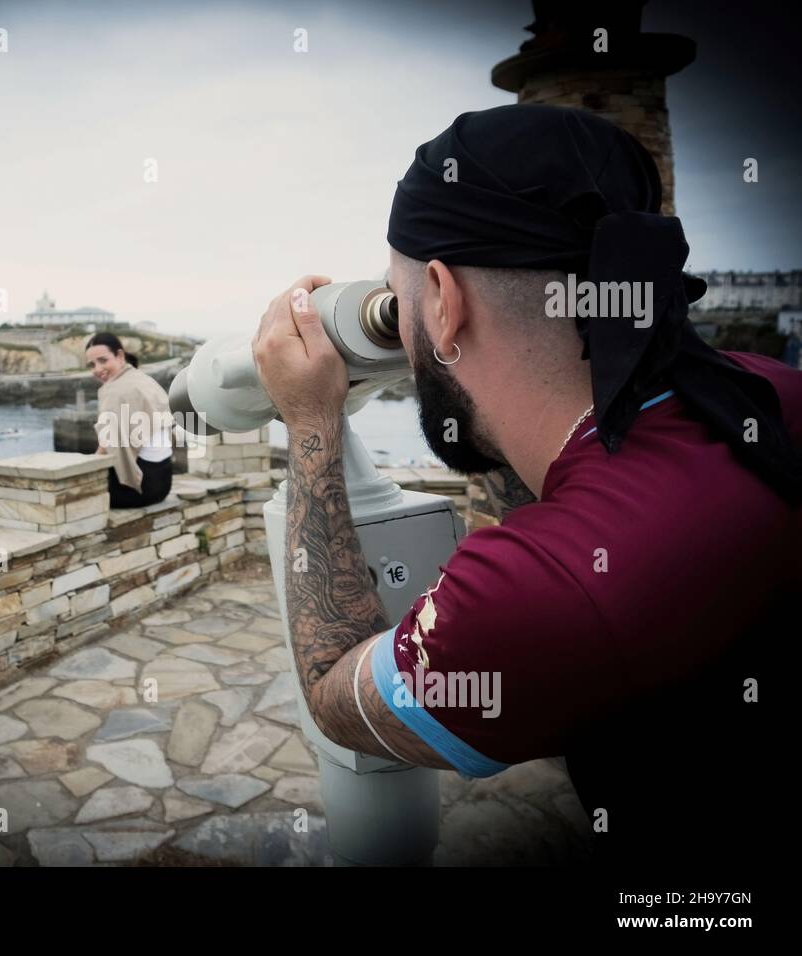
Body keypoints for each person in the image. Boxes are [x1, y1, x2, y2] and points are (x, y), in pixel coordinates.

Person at [252, 104, 799, 867]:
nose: (398, 326)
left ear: (444, 301)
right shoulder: (768, 394)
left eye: (396, 298)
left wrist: (312, 422)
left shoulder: (541, 595)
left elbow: (333, 692)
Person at [86, 331, 174, 508]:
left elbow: (105, 446)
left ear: (120, 356)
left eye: (103, 360)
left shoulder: (116, 390)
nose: (97, 369)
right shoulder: (142, 379)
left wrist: (85, 469)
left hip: (139, 490)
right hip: (163, 484)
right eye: (91, 364)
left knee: (81, 493)